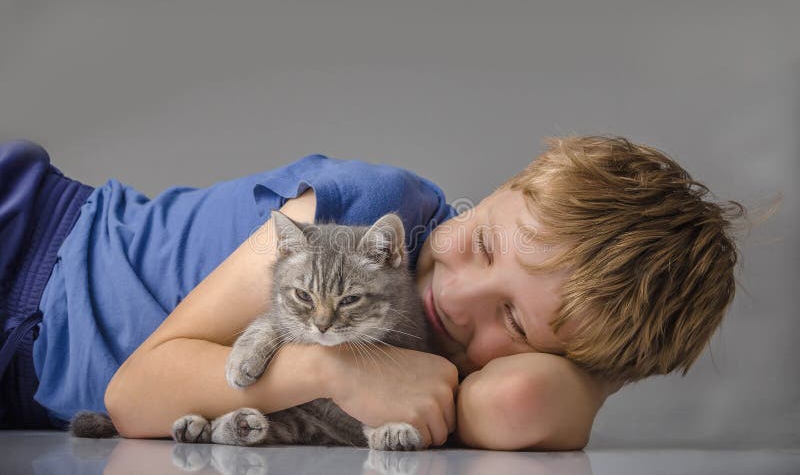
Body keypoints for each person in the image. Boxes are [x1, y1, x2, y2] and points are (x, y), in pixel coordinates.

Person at [0, 135, 751, 450]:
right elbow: (136, 394)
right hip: (30, 246)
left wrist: (599, 371)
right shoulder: (373, 208)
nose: (462, 296)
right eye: (484, 242)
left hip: (24, 383)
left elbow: (516, 406)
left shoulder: (463, 371)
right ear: (498, 191)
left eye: (513, 320)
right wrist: (335, 367)